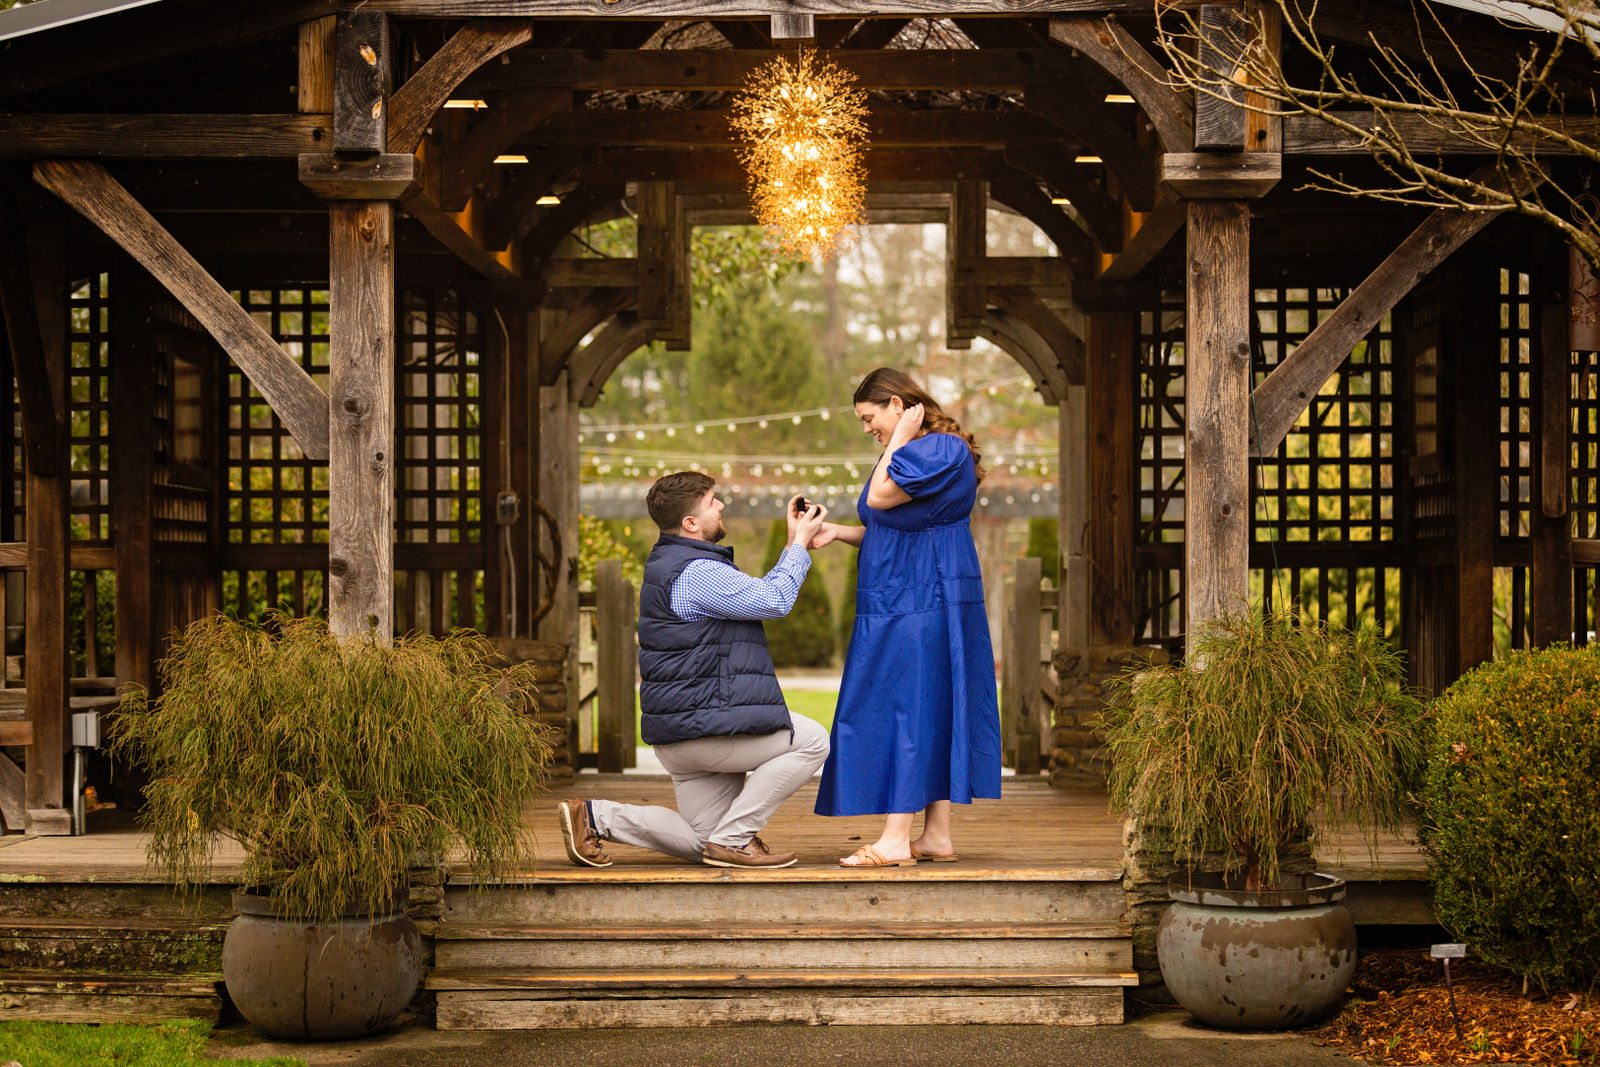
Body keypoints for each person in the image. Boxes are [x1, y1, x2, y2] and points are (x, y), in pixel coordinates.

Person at [556, 471, 831, 869]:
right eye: (712, 502)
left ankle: (596, 817)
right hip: (706, 730)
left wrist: (791, 542)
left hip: (681, 736)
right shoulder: (697, 572)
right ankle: (735, 841)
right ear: (690, 523)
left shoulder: (671, 565)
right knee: (812, 740)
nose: (721, 506)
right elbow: (773, 601)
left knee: (702, 839)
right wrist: (802, 544)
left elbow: (753, 597)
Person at [809, 368, 1002, 867]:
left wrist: (896, 437)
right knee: (926, 703)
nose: (866, 428)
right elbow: (891, 525)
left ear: (897, 404)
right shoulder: (914, 450)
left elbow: (879, 498)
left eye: (869, 417)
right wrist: (837, 532)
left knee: (910, 707)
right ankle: (935, 835)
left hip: (925, 595)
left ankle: (896, 840)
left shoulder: (940, 448)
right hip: (903, 594)